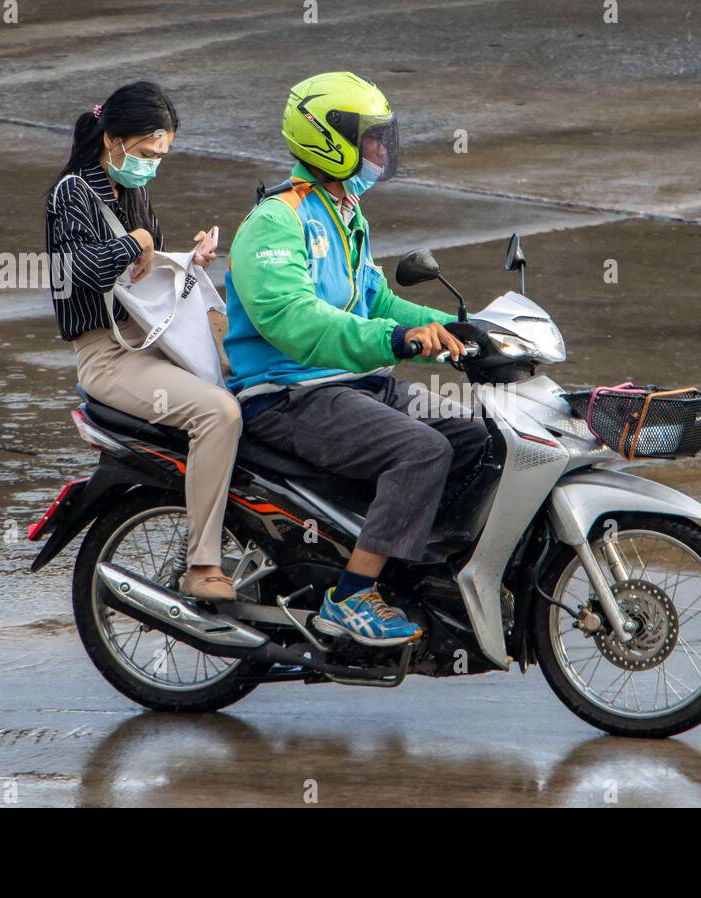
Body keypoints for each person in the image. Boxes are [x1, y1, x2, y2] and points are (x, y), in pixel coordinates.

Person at [224, 71, 489, 647]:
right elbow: (295, 321)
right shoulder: (276, 221)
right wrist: (397, 340)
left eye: (383, 139)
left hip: (353, 384)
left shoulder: (344, 212)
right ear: (329, 140)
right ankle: (348, 597)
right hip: (289, 395)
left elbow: (377, 301)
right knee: (422, 450)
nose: (382, 152)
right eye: (371, 139)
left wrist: (463, 329)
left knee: (476, 436)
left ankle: (406, 573)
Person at [46, 81, 240, 602]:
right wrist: (138, 240)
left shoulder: (131, 190)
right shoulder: (72, 194)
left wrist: (191, 261)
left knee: (256, 384)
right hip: (109, 356)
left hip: (156, 339)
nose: (151, 165)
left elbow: (145, 279)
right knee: (219, 412)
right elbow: (80, 271)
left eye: (160, 157)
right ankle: (202, 565)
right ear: (112, 139)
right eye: (146, 153)